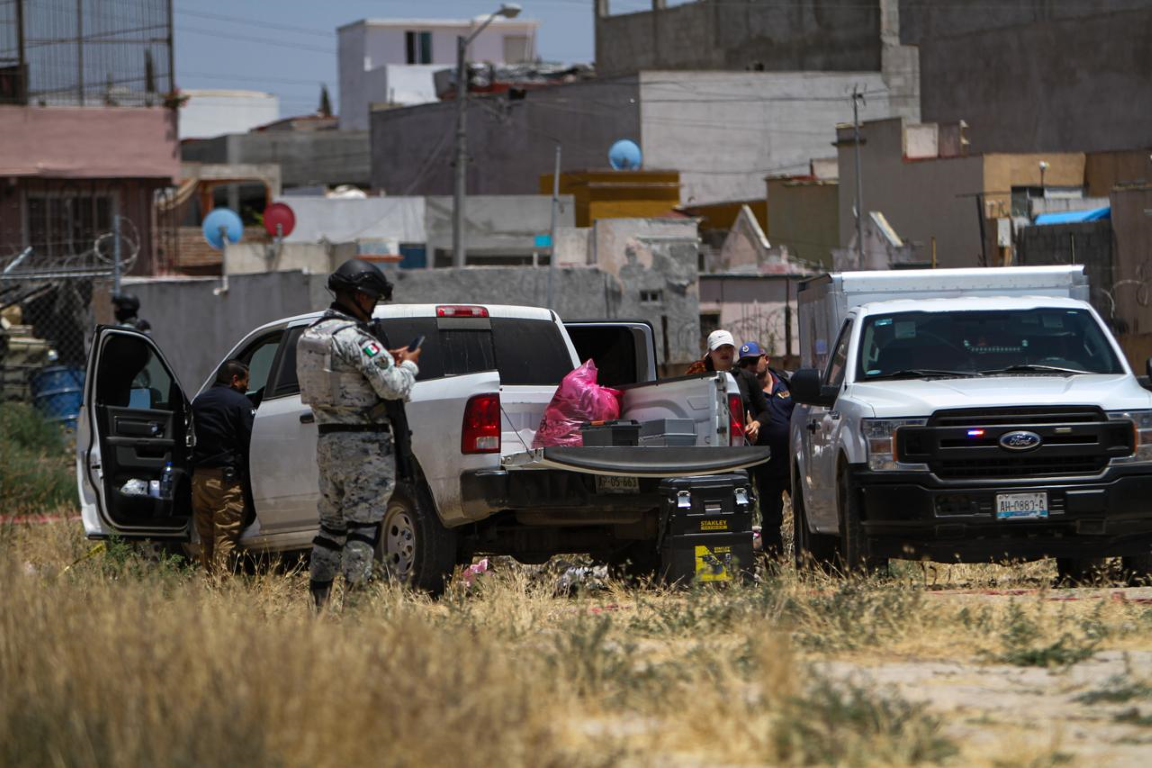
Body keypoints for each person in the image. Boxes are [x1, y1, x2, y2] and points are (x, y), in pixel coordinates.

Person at [296, 258, 420, 610]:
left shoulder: (312, 335)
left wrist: (384, 357)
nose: (374, 305)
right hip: (365, 445)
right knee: (362, 531)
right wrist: (409, 363)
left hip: (329, 441)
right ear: (361, 296)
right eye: (374, 298)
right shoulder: (356, 338)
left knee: (330, 530)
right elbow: (395, 387)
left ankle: (317, 607)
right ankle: (354, 611)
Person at [191, 359, 255, 575]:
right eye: (246, 382)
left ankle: (209, 586)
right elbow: (249, 442)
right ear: (234, 379)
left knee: (206, 541)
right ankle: (221, 592)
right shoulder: (240, 404)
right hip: (225, 484)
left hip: (200, 481)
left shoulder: (199, 402)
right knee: (225, 540)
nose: (248, 387)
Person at [738, 342, 794, 558]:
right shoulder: (746, 394)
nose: (750, 367)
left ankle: (810, 564)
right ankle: (775, 567)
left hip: (792, 464)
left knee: (807, 515)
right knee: (771, 520)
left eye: (753, 361)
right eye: (744, 363)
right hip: (767, 467)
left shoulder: (787, 383)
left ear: (766, 359)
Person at [687, 330, 771, 446]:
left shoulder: (746, 377)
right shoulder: (700, 378)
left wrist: (756, 423)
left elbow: (765, 412)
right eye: (719, 348)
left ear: (733, 350)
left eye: (728, 347)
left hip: (740, 444)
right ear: (710, 353)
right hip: (706, 444)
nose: (724, 352)